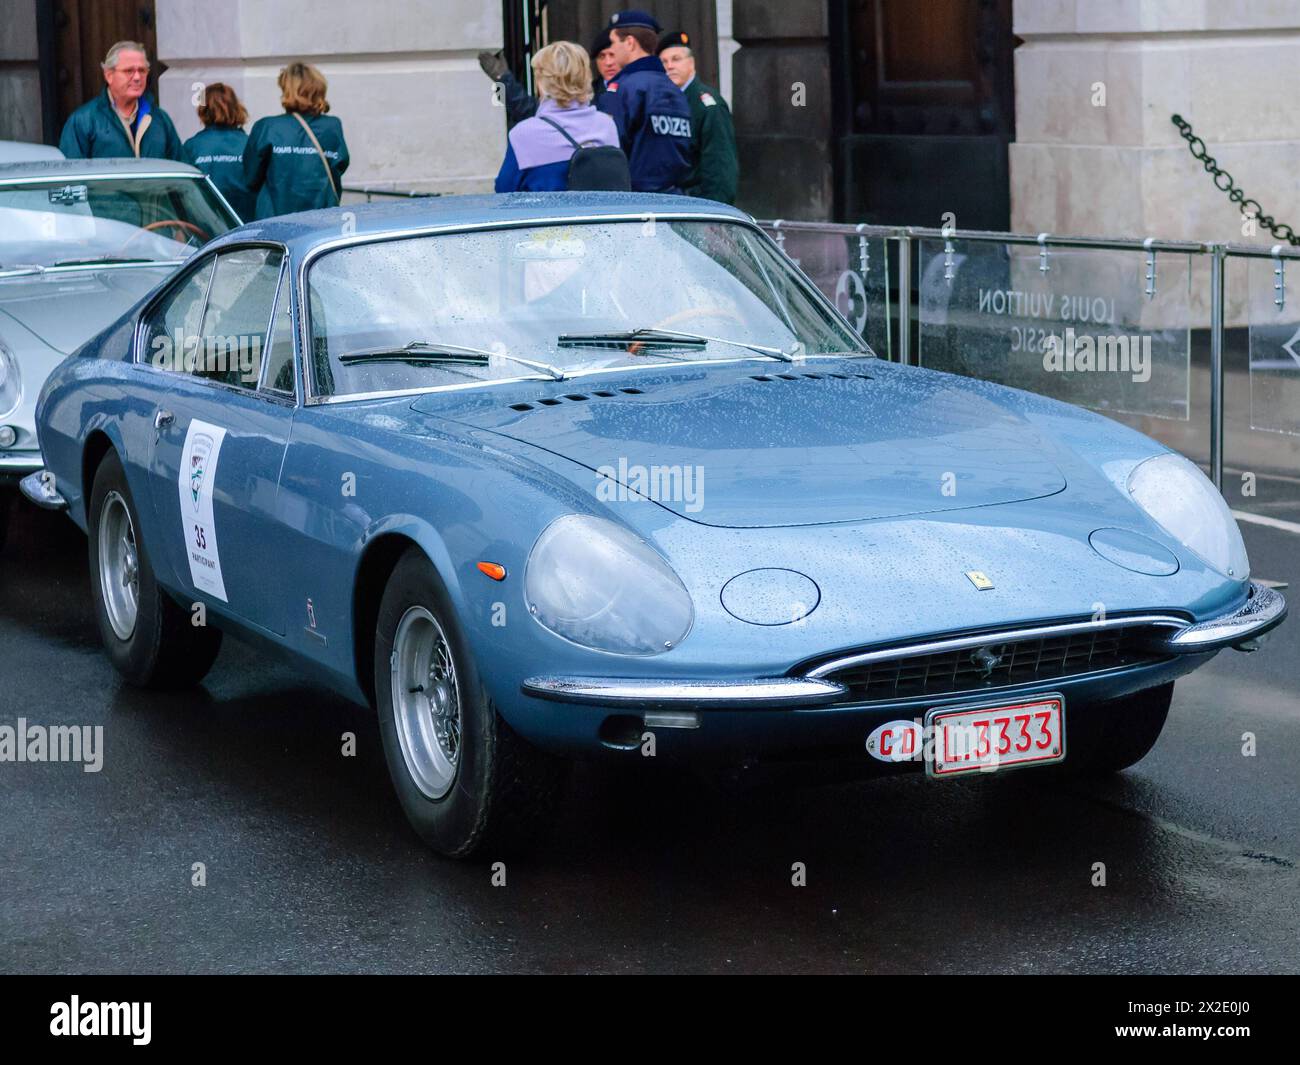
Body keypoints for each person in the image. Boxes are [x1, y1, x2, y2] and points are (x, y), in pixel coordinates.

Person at [494, 41, 622, 192]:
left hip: (546, 215)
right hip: (599, 214)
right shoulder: (606, 125)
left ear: (542, 82)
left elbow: (504, 190)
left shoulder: (523, 134)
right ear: (585, 76)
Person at [596, 10, 692, 194]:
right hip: (675, 201)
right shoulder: (674, 90)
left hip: (634, 204)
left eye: (614, 42)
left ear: (630, 43)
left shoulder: (622, 88)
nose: (612, 51)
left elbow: (608, 152)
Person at [242, 62, 349, 220]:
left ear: (287, 90)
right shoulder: (332, 126)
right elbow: (340, 165)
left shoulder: (267, 127)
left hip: (275, 221)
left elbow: (250, 177)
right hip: (322, 221)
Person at [59, 41, 184, 160]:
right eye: (129, 71)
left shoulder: (160, 119)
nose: (137, 77)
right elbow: (71, 175)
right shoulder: (83, 121)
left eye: (142, 70)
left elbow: (181, 169)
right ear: (109, 75)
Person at [657, 30, 738, 205]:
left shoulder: (707, 105)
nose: (669, 66)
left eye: (676, 59)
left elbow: (720, 166)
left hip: (699, 203)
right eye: (664, 62)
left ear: (691, 64)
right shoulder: (664, 101)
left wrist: (716, 209)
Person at [479, 29, 620, 129]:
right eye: (602, 56)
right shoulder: (593, 90)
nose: (608, 62)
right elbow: (532, 110)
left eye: (613, 55)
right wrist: (503, 79)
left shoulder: (633, 89)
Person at [182, 83, 255, 220]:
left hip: (205, 229)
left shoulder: (192, 146)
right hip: (245, 226)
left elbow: (183, 192)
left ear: (203, 109)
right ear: (236, 107)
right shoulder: (250, 144)